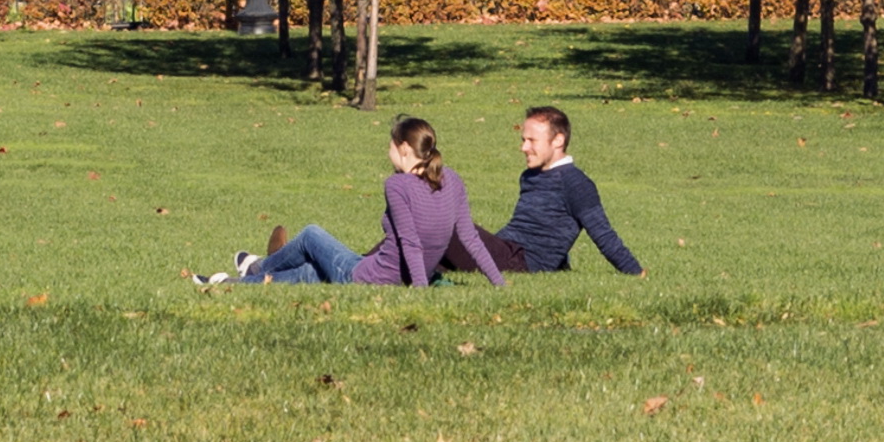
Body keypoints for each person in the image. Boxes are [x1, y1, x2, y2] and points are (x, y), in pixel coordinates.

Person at [201, 115, 511, 287]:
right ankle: (228, 284)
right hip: (396, 276)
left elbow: (411, 242)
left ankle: (255, 267)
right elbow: (469, 236)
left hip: (370, 276)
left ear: (404, 149)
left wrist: (420, 291)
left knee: (311, 234)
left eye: (390, 146)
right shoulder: (451, 179)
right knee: (310, 273)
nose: (388, 153)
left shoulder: (398, 185)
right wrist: (499, 283)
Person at [495, 104, 641, 275]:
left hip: (525, 261)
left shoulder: (576, 183)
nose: (524, 148)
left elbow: (603, 234)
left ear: (558, 141)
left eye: (532, 140)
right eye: (523, 140)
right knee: (467, 235)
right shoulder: (530, 176)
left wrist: (636, 272)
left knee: (466, 234)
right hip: (505, 248)